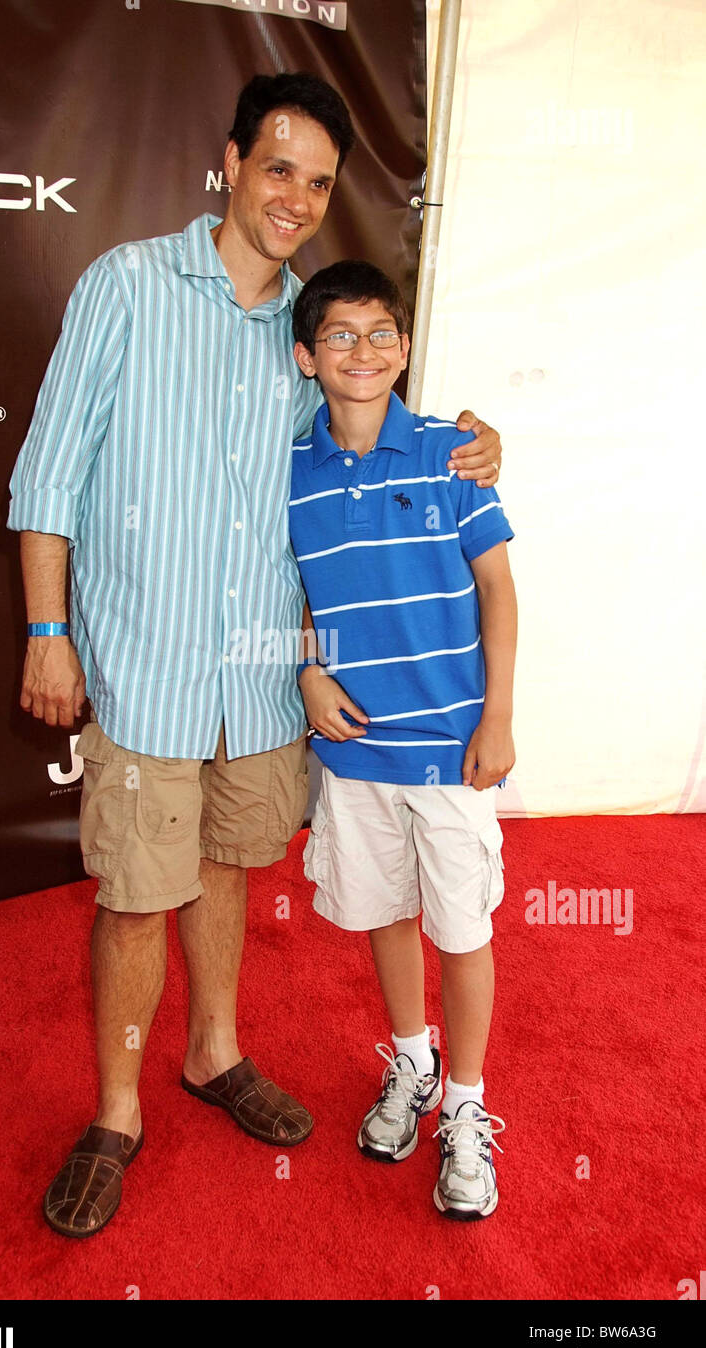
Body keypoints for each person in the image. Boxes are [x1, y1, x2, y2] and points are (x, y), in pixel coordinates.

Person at [7, 72, 504, 1238]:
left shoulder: (308, 330)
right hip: (142, 665)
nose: (295, 197)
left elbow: (376, 419)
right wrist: (45, 628)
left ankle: (214, 1054)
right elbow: (47, 473)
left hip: (264, 681)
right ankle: (118, 1111)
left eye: (319, 182)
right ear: (230, 163)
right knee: (137, 893)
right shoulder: (126, 285)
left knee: (226, 868)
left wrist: (479, 437)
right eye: (277, 168)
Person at [289, 260, 516, 1220]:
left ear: (407, 347)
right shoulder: (290, 472)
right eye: (339, 334)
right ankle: (412, 1064)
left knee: (462, 930)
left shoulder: (453, 454)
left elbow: (498, 589)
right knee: (385, 912)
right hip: (355, 756)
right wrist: (306, 666)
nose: (363, 351)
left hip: (452, 749)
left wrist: (498, 714)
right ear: (306, 356)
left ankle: (465, 1106)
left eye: (381, 332)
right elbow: (292, 593)